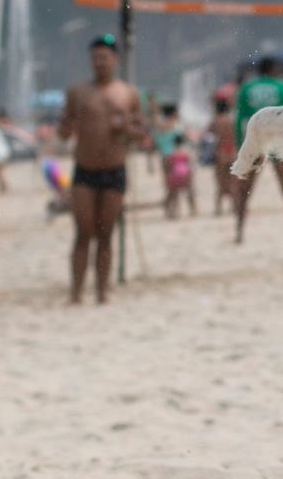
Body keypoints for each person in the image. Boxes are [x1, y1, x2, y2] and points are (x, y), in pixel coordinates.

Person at [58, 34, 141, 304]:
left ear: (114, 60)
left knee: (106, 234)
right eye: (95, 58)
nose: (100, 63)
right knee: (83, 233)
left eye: (104, 57)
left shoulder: (127, 93)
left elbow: (142, 134)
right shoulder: (78, 92)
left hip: (114, 169)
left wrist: (125, 127)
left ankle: (102, 291)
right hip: (85, 170)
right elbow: (63, 132)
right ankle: (75, 292)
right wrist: (68, 125)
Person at [234, 58, 283, 244]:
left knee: (245, 192)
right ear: (274, 69)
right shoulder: (282, 88)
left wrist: (240, 147)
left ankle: (239, 234)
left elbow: (239, 120)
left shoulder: (246, 89)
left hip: (255, 144)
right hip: (278, 144)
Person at [154, 103, 197, 221]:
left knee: (170, 185)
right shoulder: (177, 126)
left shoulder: (160, 128)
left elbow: (157, 143)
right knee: (188, 184)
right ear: (173, 113)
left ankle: (171, 211)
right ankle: (193, 209)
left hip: (165, 158)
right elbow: (188, 139)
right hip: (178, 157)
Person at [210, 84, 241, 217]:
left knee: (221, 183)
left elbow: (208, 137)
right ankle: (234, 208)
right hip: (233, 153)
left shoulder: (215, 121)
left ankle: (218, 209)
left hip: (221, 153)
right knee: (234, 183)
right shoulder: (233, 121)